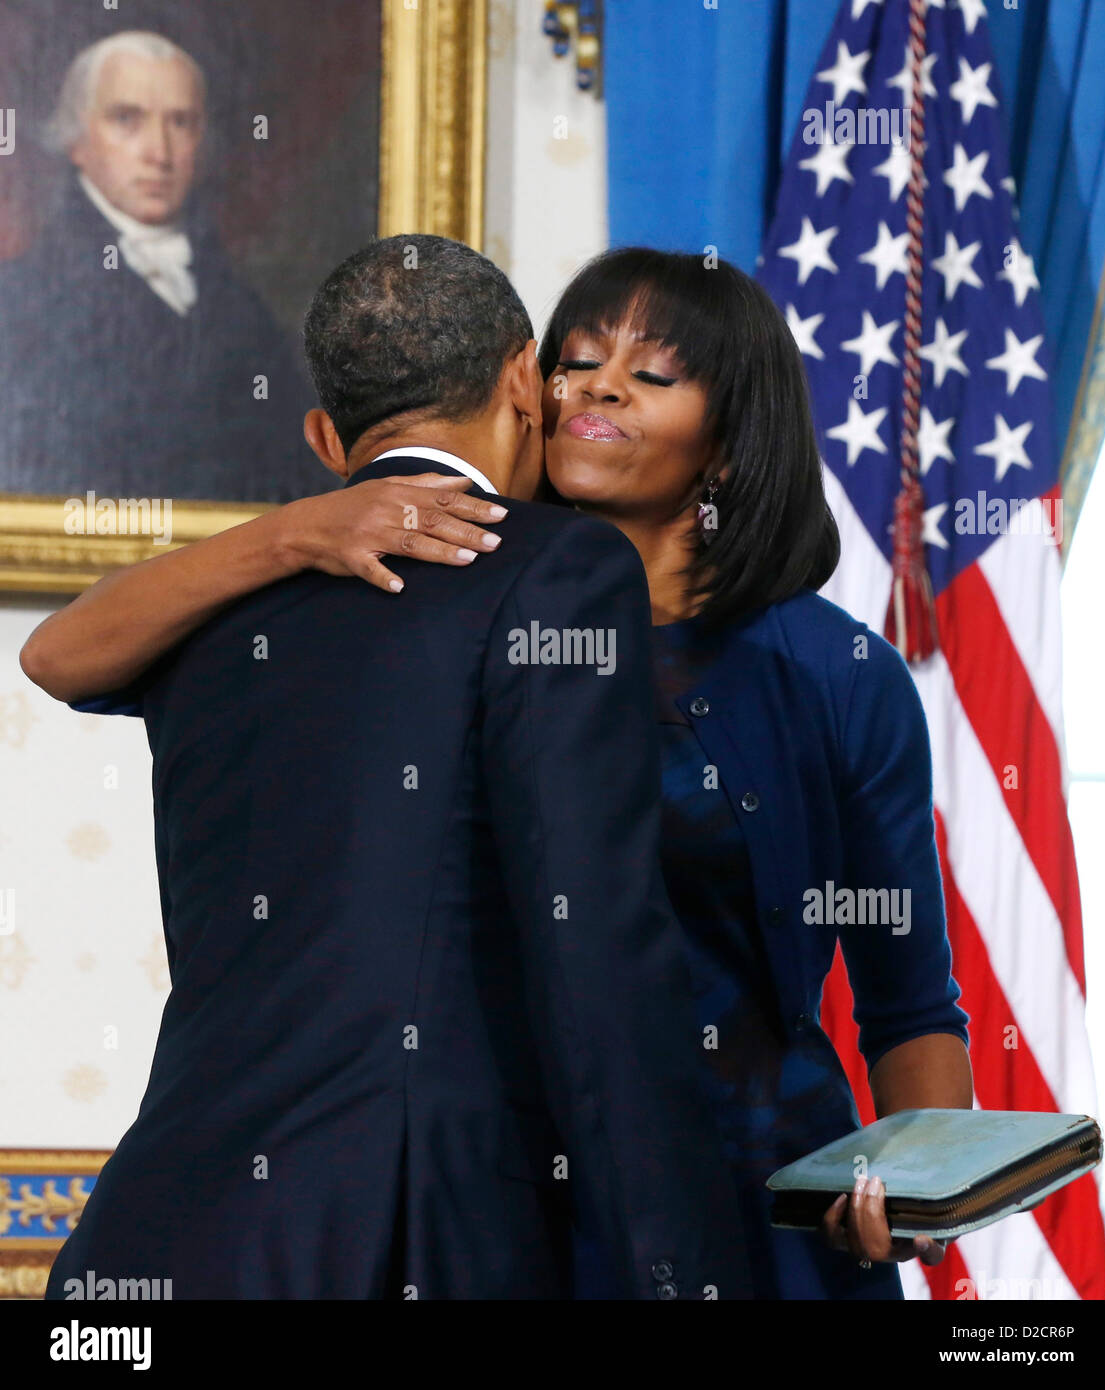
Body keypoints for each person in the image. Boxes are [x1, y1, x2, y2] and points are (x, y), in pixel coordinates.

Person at [24, 246, 974, 1299]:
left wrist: (916, 1188)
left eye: (653, 374)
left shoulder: (836, 677)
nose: (600, 386)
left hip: (750, 1197)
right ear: (528, 388)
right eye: (576, 361)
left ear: (729, 439)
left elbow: (909, 1000)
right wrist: (292, 528)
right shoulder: (408, 592)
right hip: (506, 1206)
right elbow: (65, 656)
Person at [0, 30, 316, 502]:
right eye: (127, 119)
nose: (159, 153)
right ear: (77, 139)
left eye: (181, 122)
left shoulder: (247, 310)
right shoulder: (18, 300)